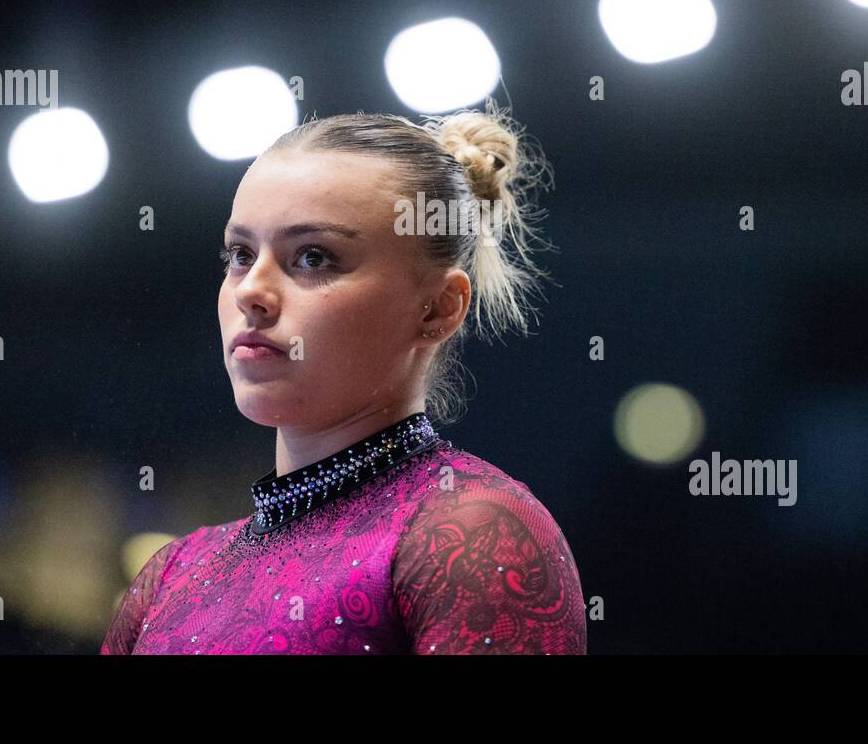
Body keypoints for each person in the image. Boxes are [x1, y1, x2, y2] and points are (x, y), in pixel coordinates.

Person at [101, 102, 586, 654]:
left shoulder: (475, 535)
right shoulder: (170, 577)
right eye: (240, 254)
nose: (250, 291)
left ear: (437, 309)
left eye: (313, 257)